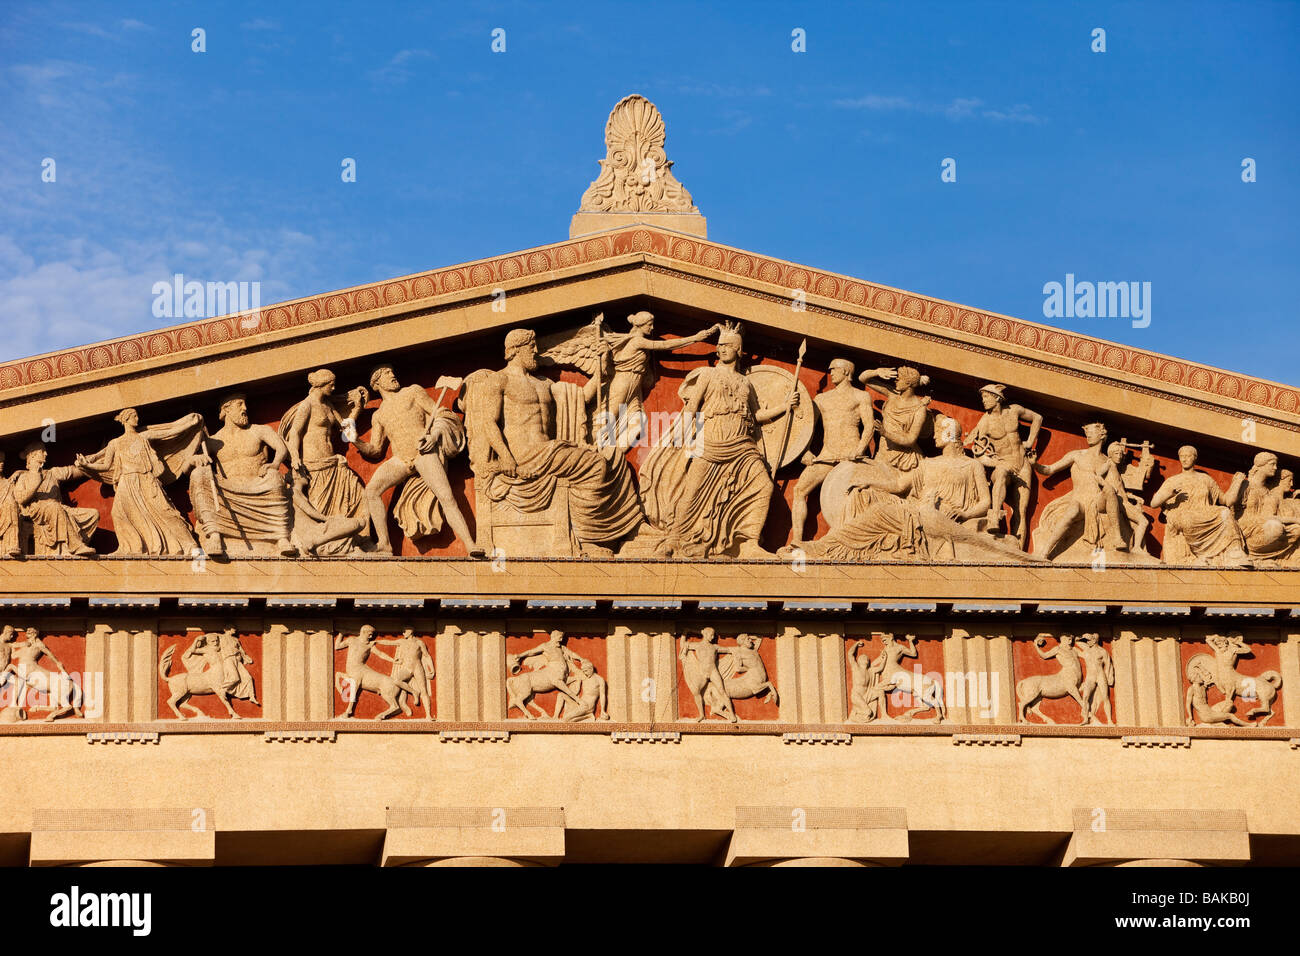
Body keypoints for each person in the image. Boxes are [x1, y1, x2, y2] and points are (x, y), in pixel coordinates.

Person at [463, 329, 646, 557]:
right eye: (531, 347)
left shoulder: (544, 383)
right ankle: (588, 538)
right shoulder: (500, 380)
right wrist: (507, 457)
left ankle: (626, 530)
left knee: (614, 458)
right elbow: (489, 423)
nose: (536, 351)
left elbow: (582, 398)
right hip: (523, 455)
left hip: (549, 451)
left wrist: (599, 372)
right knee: (596, 464)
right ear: (516, 350)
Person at [640, 323, 797, 558]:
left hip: (742, 445)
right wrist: (682, 434)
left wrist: (785, 407)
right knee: (692, 490)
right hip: (712, 440)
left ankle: (749, 542)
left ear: (738, 349)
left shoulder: (746, 383)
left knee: (763, 485)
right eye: (719, 345)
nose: (721, 349)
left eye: (726, 346)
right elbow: (692, 407)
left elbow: (757, 416)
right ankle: (674, 539)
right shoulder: (708, 375)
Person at [352, 366, 481, 556]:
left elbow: (441, 414)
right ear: (376, 383)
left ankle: (471, 545)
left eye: (392, 372)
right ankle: (385, 545)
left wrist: (434, 435)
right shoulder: (378, 415)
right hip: (401, 460)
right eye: (387, 373)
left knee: (447, 497)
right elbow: (375, 449)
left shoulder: (412, 391)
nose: (392, 375)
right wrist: (355, 440)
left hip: (423, 453)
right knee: (372, 491)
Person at [789, 357, 891, 546]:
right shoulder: (821, 399)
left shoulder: (860, 396)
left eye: (834, 369)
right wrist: (806, 451)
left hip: (852, 457)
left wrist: (860, 450)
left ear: (846, 371)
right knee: (799, 490)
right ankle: (796, 540)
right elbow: (805, 424)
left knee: (857, 499)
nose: (831, 373)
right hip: (827, 455)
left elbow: (869, 427)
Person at [75, 408, 204, 556]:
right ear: (126, 420)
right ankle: (129, 548)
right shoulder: (115, 443)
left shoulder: (144, 437)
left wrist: (189, 423)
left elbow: (168, 432)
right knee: (119, 513)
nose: (137, 418)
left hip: (146, 479)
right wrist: (87, 465)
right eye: (134, 416)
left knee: (165, 511)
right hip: (126, 481)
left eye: (137, 416)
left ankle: (190, 545)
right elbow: (105, 465)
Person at [188, 395, 296, 556]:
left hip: (258, 488)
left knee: (274, 476)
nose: (245, 408)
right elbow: (186, 461)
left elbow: (282, 449)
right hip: (228, 493)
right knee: (199, 474)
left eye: (245, 404)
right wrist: (195, 458)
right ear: (226, 409)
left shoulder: (260, 430)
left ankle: (281, 537)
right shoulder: (213, 441)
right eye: (240, 404)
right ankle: (215, 535)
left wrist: (274, 464)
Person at [279, 369, 370, 554]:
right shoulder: (308, 405)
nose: (334, 387)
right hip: (315, 467)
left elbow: (345, 429)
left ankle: (362, 540)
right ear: (321, 385)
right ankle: (326, 544)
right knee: (322, 514)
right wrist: (295, 457)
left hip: (334, 465)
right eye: (331, 384)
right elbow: (295, 432)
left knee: (359, 495)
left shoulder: (328, 405)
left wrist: (357, 408)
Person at [1031, 422, 1130, 558]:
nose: (1088, 436)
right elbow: (1049, 469)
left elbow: (1118, 488)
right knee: (1072, 511)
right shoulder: (1076, 455)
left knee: (1109, 490)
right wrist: (1035, 464)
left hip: (1097, 502)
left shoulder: (1108, 462)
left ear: (1102, 435)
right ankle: (1044, 552)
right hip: (1079, 500)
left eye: (1091, 433)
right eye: (1086, 433)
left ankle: (1117, 537)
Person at [968, 383, 1042, 548]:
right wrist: (995, 462)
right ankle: (994, 515)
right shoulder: (984, 423)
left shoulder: (1013, 410)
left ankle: (1020, 553)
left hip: (1022, 464)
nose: (983, 401)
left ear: (996, 398)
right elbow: (978, 455)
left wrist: (1030, 441)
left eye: (986, 397)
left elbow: (1038, 418)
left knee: (1021, 512)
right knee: (1001, 472)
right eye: (982, 397)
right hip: (1003, 464)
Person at [1150, 445, 1249, 566]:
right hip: (1184, 516)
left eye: (1188, 456)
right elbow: (1153, 503)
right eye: (1182, 457)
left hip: (1204, 514)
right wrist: (1169, 494)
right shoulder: (1173, 480)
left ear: (1194, 458)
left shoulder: (1205, 479)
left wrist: (1237, 483)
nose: (1184, 459)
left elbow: (1227, 501)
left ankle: (1235, 552)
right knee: (1187, 519)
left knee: (1225, 512)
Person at [11, 442, 96, 556]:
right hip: (36, 510)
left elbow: (74, 471)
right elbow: (20, 499)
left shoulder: (52, 473)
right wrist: (36, 482)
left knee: (93, 514)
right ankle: (75, 546)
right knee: (53, 506)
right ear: (32, 455)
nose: (46, 453)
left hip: (58, 508)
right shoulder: (23, 477)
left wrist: (92, 462)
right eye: (42, 451)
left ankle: (71, 544)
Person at [860, 366, 928, 473]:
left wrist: (885, 433)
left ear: (908, 383)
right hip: (883, 452)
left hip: (904, 460)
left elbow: (911, 440)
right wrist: (877, 372)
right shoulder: (892, 394)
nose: (895, 380)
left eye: (899, 378)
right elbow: (863, 379)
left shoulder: (919, 409)